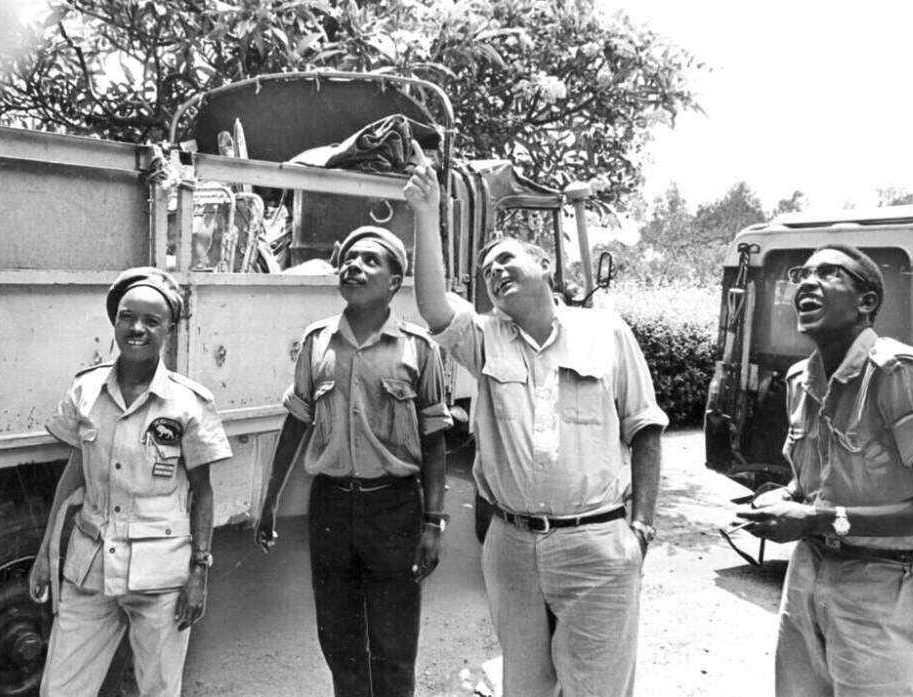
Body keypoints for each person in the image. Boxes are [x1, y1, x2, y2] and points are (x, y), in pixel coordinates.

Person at [406, 154, 668, 697]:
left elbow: (645, 428)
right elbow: (433, 307)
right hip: (512, 546)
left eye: (506, 259)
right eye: (487, 272)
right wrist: (426, 214)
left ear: (545, 264)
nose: (495, 272)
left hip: (595, 541)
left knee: (597, 688)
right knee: (524, 687)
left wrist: (641, 528)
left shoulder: (606, 331)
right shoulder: (485, 338)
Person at [736, 244, 913, 697]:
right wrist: (787, 497)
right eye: (802, 274)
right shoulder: (801, 380)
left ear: (867, 301)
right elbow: (816, 482)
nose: (808, 282)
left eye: (829, 273)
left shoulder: (901, 372)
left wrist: (818, 519)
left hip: (882, 583)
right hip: (807, 571)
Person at [254, 224, 452, 697]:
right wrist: (269, 500)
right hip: (332, 507)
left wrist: (432, 522)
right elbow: (295, 424)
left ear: (394, 282)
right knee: (339, 642)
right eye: (349, 259)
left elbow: (435, 441)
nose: (354, 266)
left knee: (394, 646)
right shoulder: (317, 342)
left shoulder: (418, 348)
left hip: (395, 509)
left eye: (370, 260)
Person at [28, 267, 233, 697]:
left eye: (151, 321)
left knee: (158, 689)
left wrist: (200, 571)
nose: (137, 328)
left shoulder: (188, 403)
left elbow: (203, 493)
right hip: (90, 568)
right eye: (127, 316)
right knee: (59, 689)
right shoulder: (86, 391)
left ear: (169, 329)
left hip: (161, 575)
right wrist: (46, 553)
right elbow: (73, 475)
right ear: (115, 321)